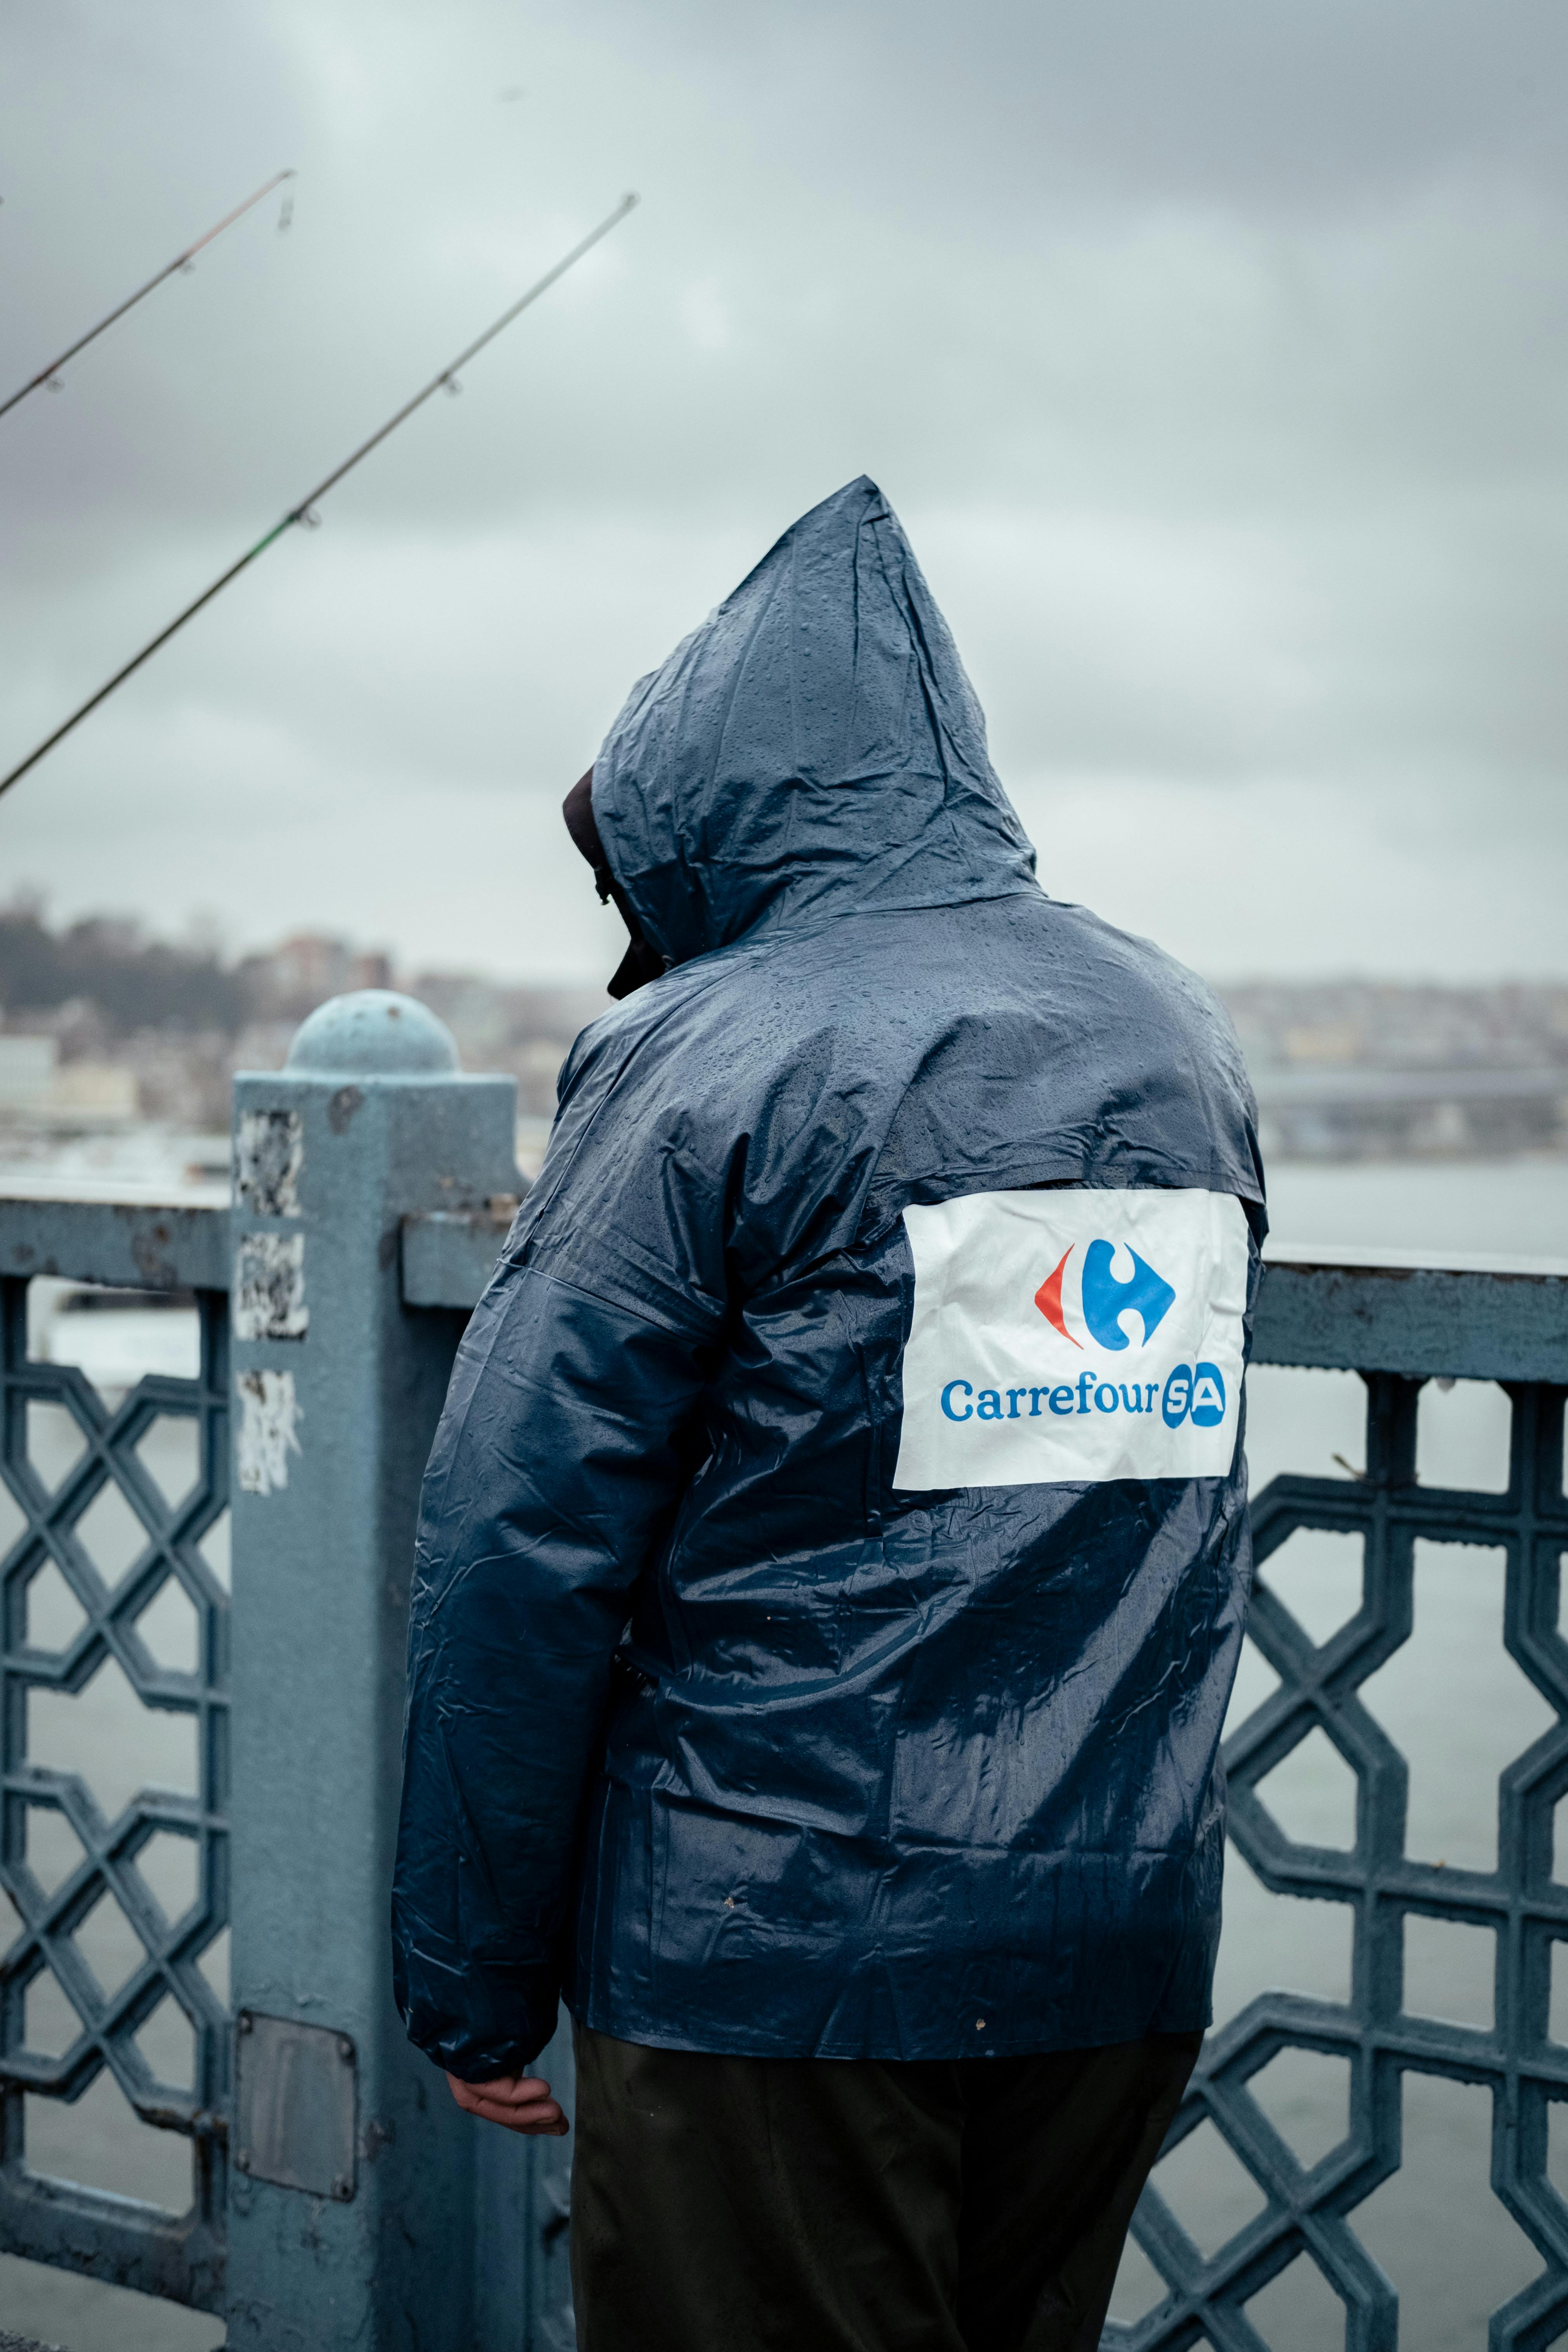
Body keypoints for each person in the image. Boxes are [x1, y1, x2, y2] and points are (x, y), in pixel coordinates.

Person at [392, 476, 1264, 2351]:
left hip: (769, 1963)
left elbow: (519, 1547)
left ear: (697, 818)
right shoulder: (1171, 1036)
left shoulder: (706, 1053)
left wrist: (471, 1973)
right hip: (1109, 1943)